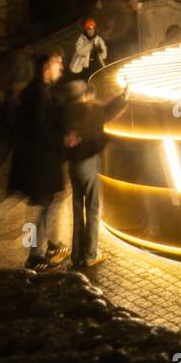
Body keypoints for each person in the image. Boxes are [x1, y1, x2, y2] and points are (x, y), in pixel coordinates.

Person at [8, 51, 69, 270]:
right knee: (35, 210)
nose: (61, 68)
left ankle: (44, 247)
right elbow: (37, 131)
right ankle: (32, 254)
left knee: (43, 207)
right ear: (46, 67)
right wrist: (62, 137)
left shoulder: (40, 92)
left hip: (42, 163)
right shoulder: (37, 95)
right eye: (58, 64)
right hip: (38, 165)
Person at [61, 79, 129, 269]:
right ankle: (90, 254)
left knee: (77, 208)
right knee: (92, 208)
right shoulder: (87, 110)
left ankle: (76, 256)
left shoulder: (66, 112)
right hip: (88, 163)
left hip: (73, 166)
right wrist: (124, 95)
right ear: (82, 95)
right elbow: (108, 111)